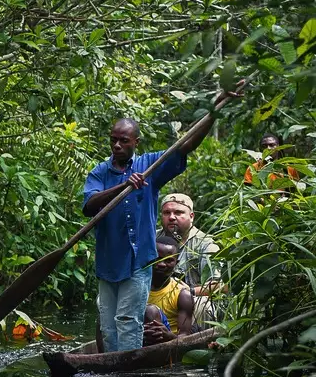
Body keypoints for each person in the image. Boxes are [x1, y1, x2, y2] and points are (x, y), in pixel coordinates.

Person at [83, 91, 232, 354]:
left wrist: (215, 109)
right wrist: (122, 186)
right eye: (113, 140)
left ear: (135, 142)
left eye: (123, 141)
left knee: (128, 321)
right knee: (108, 326)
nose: (117, 145)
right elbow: (90, 206)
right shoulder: (100, 172)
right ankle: (111, 367)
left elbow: (186, 145)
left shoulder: (150, 165)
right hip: (108, 262)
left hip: (140, 261)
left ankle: (126, 371)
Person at [159, 193, 222, 299]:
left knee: (202, 304)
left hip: (192, 300)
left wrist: (189, 291)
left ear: (191, 216)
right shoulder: (152, 239)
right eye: (166, 213)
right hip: (156, 298)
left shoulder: (206, 244)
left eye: (178, 212)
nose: (171, 217)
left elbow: (220, 285)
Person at [142, 235, 195, 346]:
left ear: (176, 263)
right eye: (157, 258)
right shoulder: (137, 287)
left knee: (151, 311)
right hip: (139, 335)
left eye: (168, 260)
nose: (161, 264)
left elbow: (185, 337)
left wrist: (167, 335)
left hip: (166, 343)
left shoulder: (183, 295)